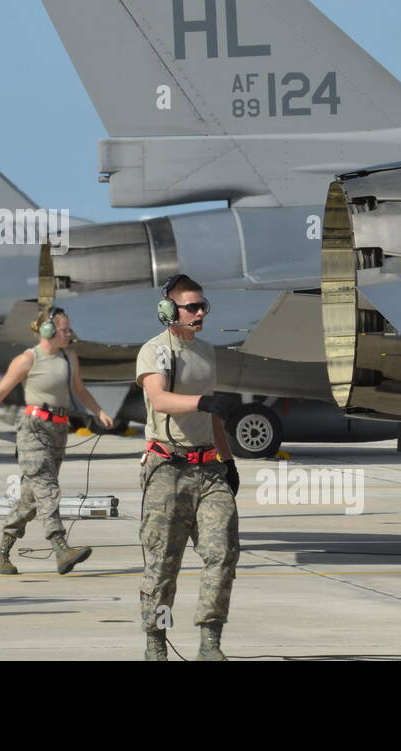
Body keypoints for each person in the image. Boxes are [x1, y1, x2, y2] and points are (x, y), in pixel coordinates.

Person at [135, 274, 241, 662]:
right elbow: (160, 400)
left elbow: (213, 418)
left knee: (223, 553)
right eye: (191, 307)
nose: (199, 313)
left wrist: (228, 461)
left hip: (209, 469)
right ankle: (156, 643)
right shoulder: (155, 352)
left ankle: (210, 644)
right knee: (163, 563)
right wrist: (204, 403)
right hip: (167, 468)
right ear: (169, 311)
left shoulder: (207, 352)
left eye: (203, 306)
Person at [0, 306, 114, 575]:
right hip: (32, 430)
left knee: (31, 499)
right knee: (47, 488)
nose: (69, 333)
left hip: (58, 430)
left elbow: (79, 390)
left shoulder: (69, 357)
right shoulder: (28, 359)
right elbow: (0, 392)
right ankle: (61, 548)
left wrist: (100, 411)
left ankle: (1, 554)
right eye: (64, 328)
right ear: (48, 331)